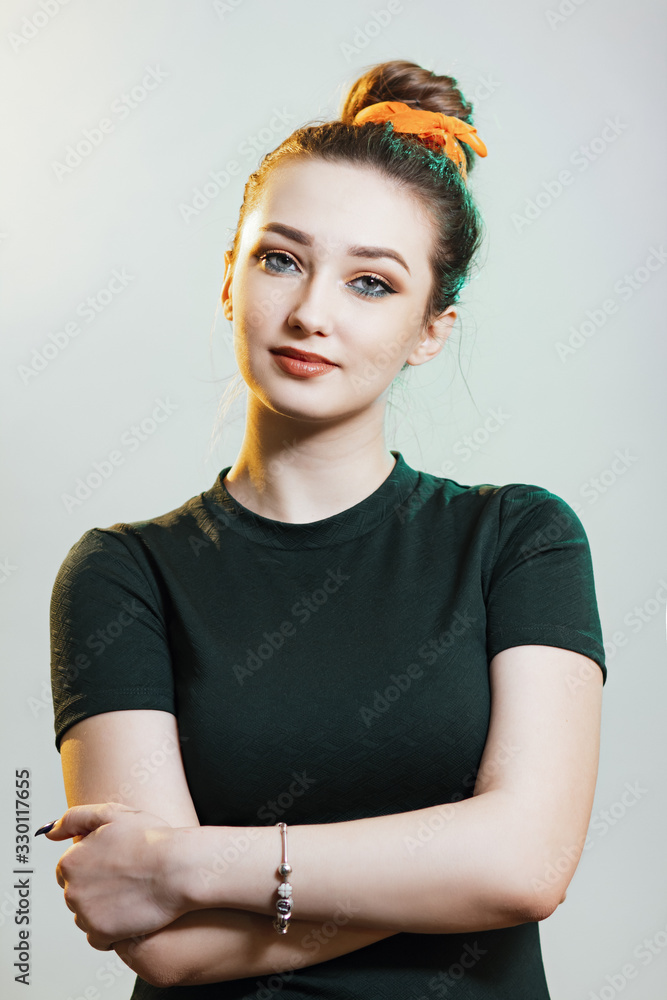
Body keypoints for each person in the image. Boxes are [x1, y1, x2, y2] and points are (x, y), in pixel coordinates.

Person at [43, 59, 607, 998]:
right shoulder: (120, 573)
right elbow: (168, 950)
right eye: (280, 259)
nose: (310, 313)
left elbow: (528, 866)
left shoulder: (520, 539)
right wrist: (456, 870)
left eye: (372, 283)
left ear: (433, 327)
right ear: (229, 277)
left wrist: (190, 864)